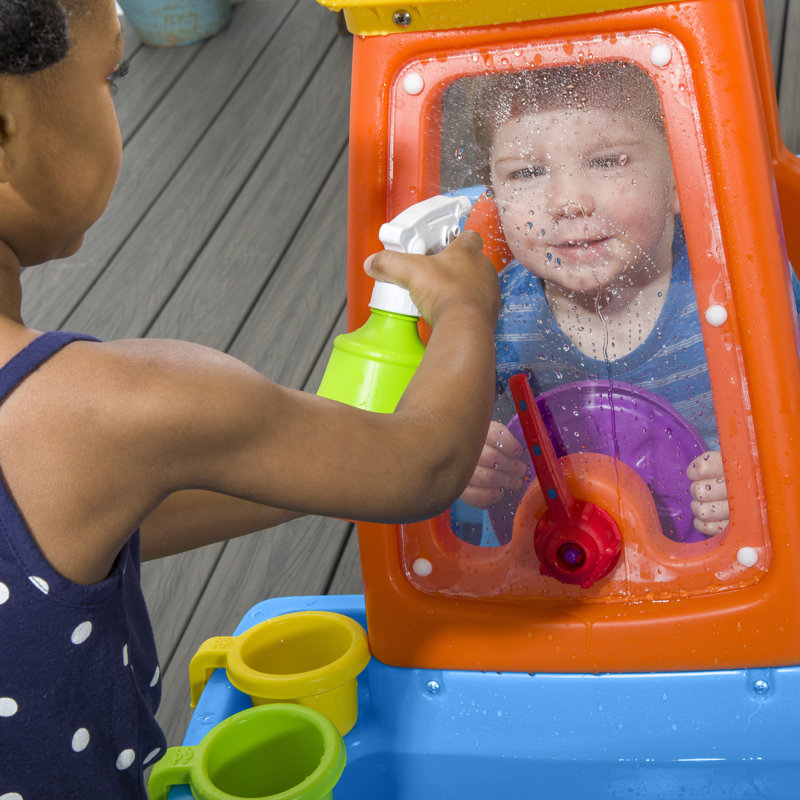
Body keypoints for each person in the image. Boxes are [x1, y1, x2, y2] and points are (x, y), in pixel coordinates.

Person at [0, 1, 499, 796]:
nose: (114, 98)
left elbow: (76, 523)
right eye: (111, 77)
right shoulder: (109, 406)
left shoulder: (71, 452)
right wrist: (466, 307)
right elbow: (424, 463)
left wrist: (306, 466)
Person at [458, 61, 766, 539]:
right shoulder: (496, 312)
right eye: (528, 172)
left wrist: (765, 474)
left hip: (723, 562)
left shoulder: (737, 290)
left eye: (608, 161)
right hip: (565, 562)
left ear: (683, 177)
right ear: (494, 197)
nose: (567, 201)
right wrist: (472, 462)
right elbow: (442, 426)